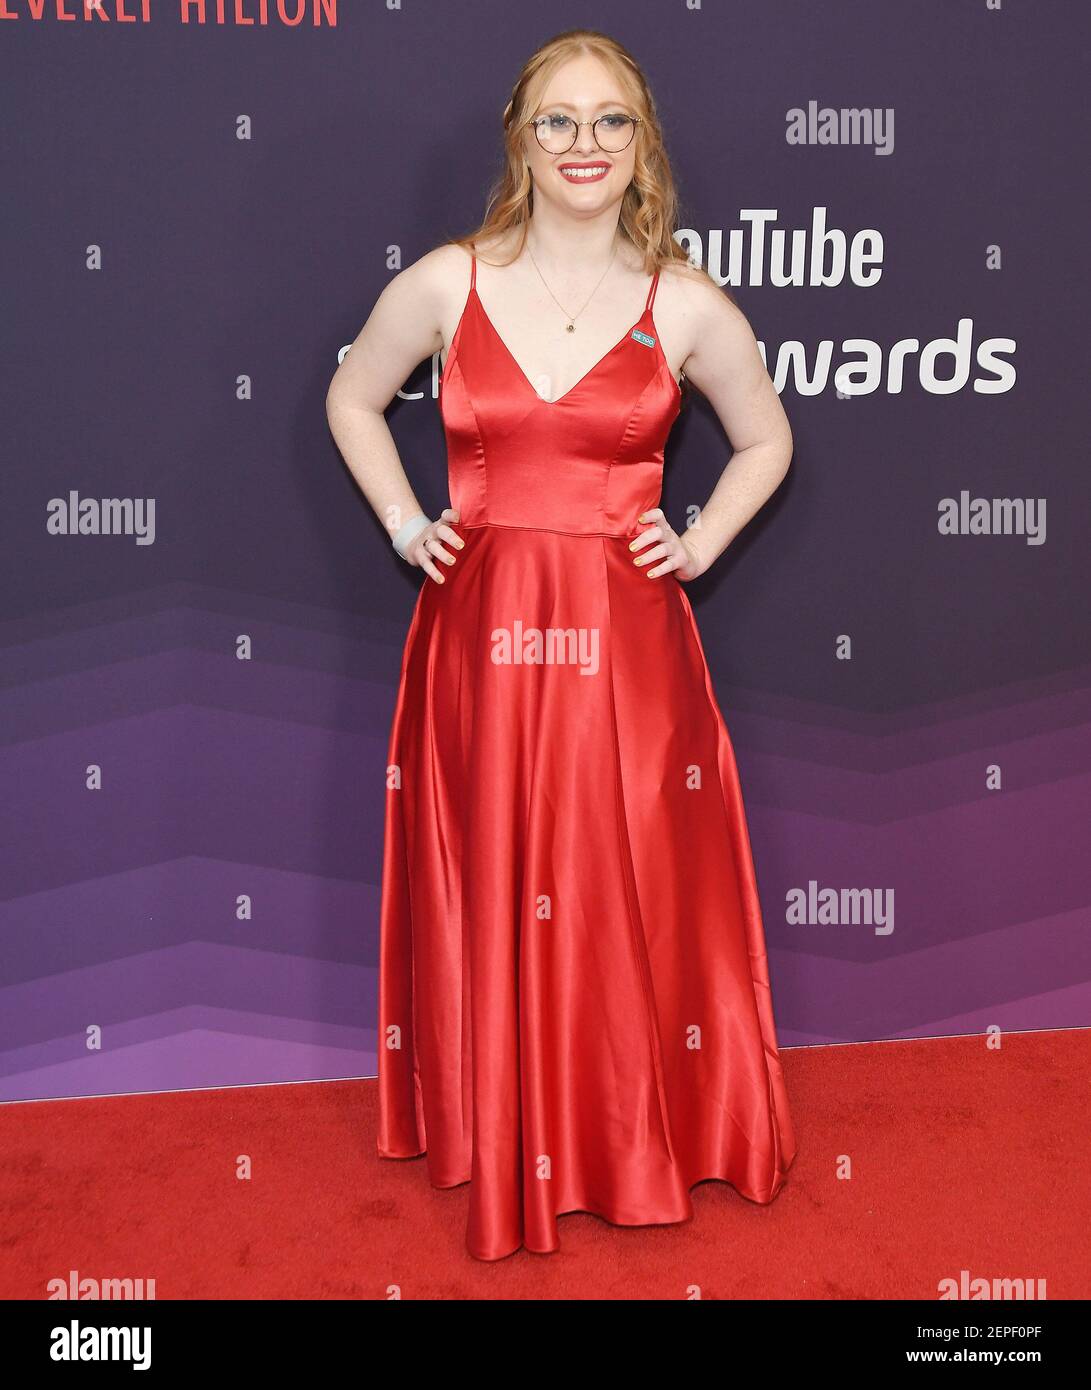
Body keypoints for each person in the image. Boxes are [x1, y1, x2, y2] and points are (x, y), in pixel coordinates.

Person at [325, 28, 797, 1262]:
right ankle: (502, 1127)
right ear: (518, 141)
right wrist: (400, 520)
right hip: (478, 643)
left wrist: (694, 544)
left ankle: (636, 1130)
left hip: (629, 652)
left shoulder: (684, 303)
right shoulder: (445, 283)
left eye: (609, 122)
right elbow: (350, 396)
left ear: (641, 149)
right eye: (557, 120)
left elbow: (766, 438)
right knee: (495, 876)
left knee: (625, 888)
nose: (582, 144)